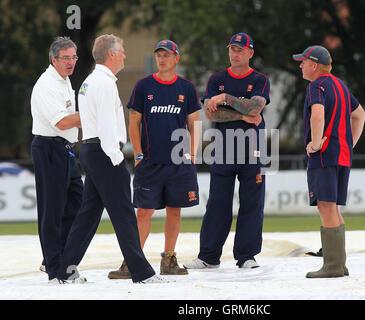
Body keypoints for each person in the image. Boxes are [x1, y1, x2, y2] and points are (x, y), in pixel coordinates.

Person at [55, 34, 165, 284]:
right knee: (124, 213)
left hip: (93, 151)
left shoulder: (89, 81)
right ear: (112, 54)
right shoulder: (104, 83)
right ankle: (142, 272)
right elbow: (105, 124)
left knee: (89, 213)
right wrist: (116, 157)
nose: (125, 55)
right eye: (123, 50)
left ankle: (66, 269)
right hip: (104, 152)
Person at [108, 40, 201, 279]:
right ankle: (132, 261)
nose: (162, 59)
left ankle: (168, 259)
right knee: (143, 212)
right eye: (159, 55)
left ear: (176, 58)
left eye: (167, 55)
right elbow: (134, 122)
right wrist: (138, 153)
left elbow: (194, 123)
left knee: (175, 210)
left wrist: (193, 153)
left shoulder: (186, 88)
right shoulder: (143, 86)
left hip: (179, 163)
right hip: (150, 162)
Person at [184, 33, 270, 270]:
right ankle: (208, 257)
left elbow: (256, 106)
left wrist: (224, 98)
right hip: (222, 146)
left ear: (250, 53)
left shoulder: (260, 79)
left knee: (252, 202)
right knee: (218, 202)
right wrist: (242, 114)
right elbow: (211, 113)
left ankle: (247, 256)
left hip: (252, 146)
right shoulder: (216, 79)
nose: (235, 54)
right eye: (232, 49)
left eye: (240, 50)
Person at [292, 45, 365, 278]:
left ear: (314, 65)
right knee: (332, 207)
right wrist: (349, 143)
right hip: (342, 154)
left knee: (325, 206)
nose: (300, 65)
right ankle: (339, 264)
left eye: (303, 61)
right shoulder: (340, 85)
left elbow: (318, 114)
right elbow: (359, 115)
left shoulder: (317, 86)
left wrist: (315, 143)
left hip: (324, 155)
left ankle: (332, 266)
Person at [30, 36, 83, 282]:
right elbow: (62, 122)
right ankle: (55, 268)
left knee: (77, 202)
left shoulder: (64, 79)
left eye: (74, 57)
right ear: (54, 59)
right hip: (49, 148)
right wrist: (93, 113)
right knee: (52, 209)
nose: (71, 62)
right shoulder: (47, 85)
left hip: (64, 149)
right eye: (66, 58)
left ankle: (55, 257)